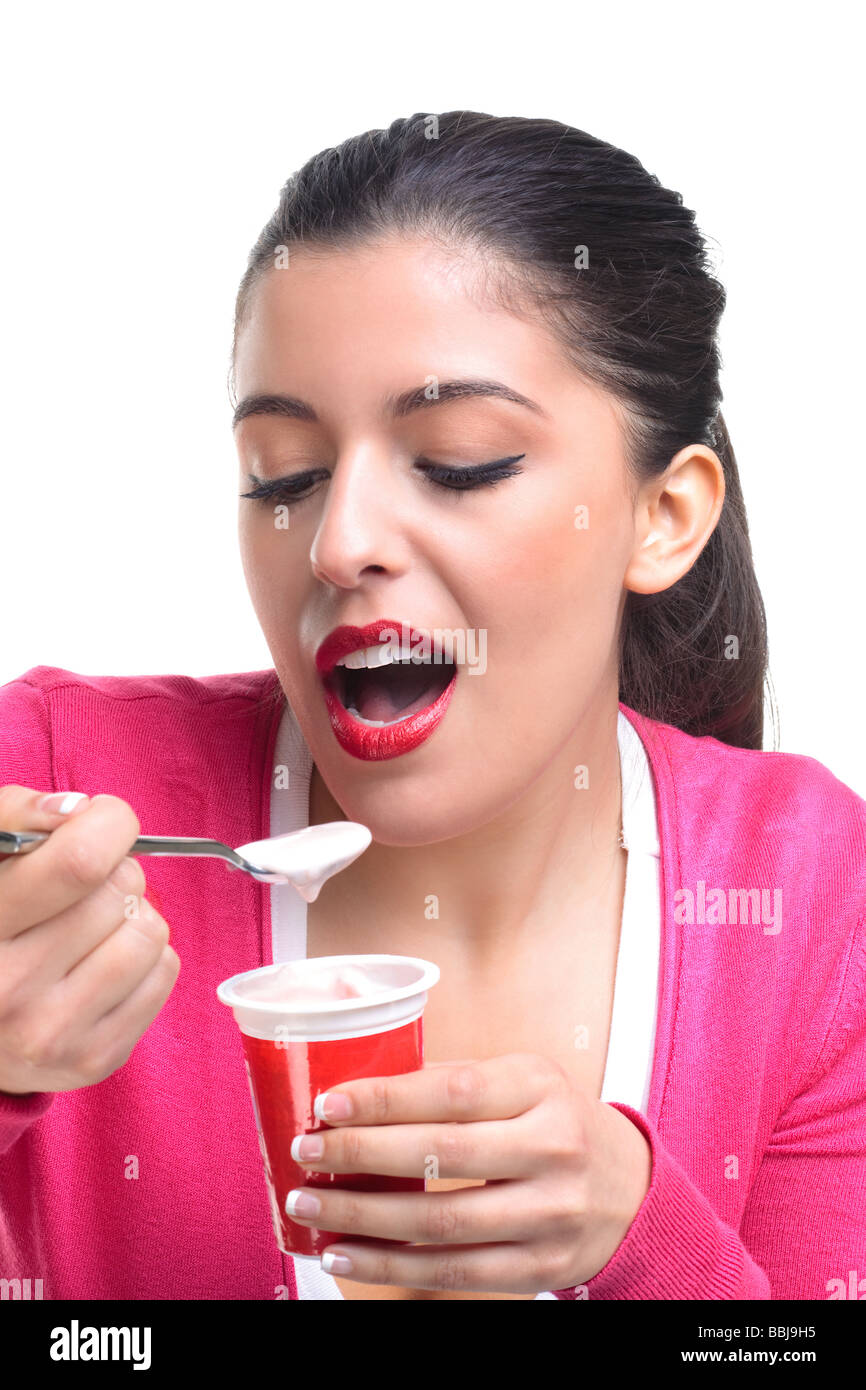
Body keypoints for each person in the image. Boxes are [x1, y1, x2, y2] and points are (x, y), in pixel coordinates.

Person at [1, 111, 863, 1302]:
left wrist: (641, 1246)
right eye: (283, 477)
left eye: (458, 460)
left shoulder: (818, 902)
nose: (339, 541)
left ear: (662, 516)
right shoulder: (55, 786)